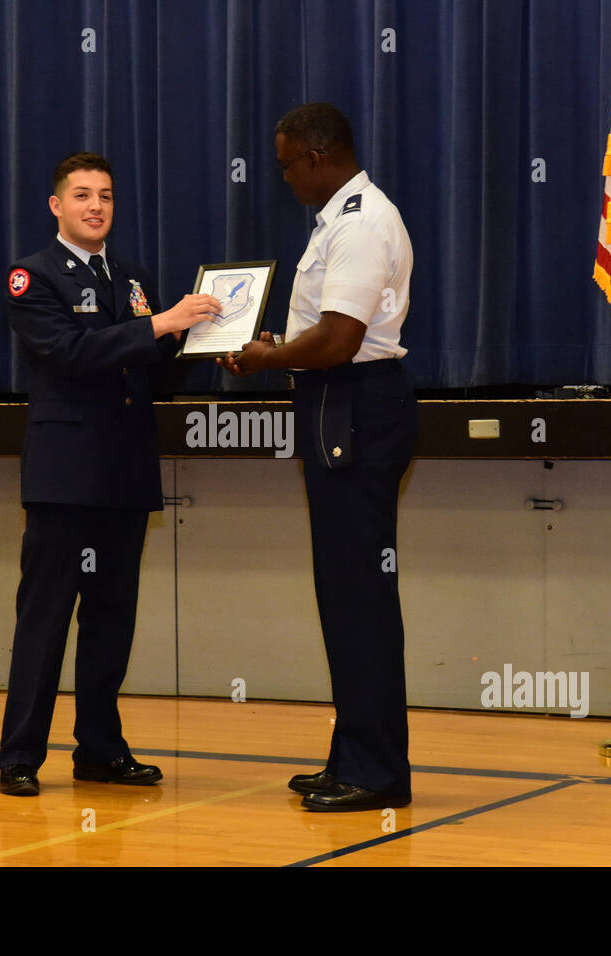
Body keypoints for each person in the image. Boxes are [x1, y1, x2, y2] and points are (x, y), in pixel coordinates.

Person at [0, 152, 220, 796]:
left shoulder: (131, 278)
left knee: (111, 617)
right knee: (45, 618)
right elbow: (68, 354)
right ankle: (20, 756)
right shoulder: (31, 277)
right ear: (56, 207)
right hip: (65, 479)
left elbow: (149, 376)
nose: (97, 206)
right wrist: (161, 324)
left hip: (123, 475)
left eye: (106, 196)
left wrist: (200, 342)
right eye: (83, 195)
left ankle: (99, 748)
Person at [219, 103, 417, 811]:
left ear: (319, 153)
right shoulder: (341, 218)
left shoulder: (361, 222)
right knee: (343, 594)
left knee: (359, 595)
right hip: (341, 405)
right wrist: (283, 349)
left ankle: (377, 771)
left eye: (286, 162)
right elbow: (323, 333)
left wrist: (271, 355)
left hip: (356, 405)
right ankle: (353, 755)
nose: (282, 175)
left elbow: (337, 339)